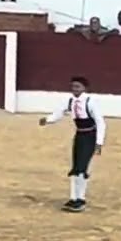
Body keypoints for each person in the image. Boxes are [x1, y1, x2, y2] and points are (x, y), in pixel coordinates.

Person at [39, 76, 106, 212]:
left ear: (84, 88)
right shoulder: (70, 101)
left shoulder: (90, 101)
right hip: (80, 135)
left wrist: (99, 143)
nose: (75, 90)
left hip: (90, 137)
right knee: (76, 167)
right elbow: (58, 114)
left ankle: (80, 199)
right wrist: (47, 120)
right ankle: (73, 198)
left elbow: (100, 122)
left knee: (82, 167)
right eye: (73, 87)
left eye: (78, 87)